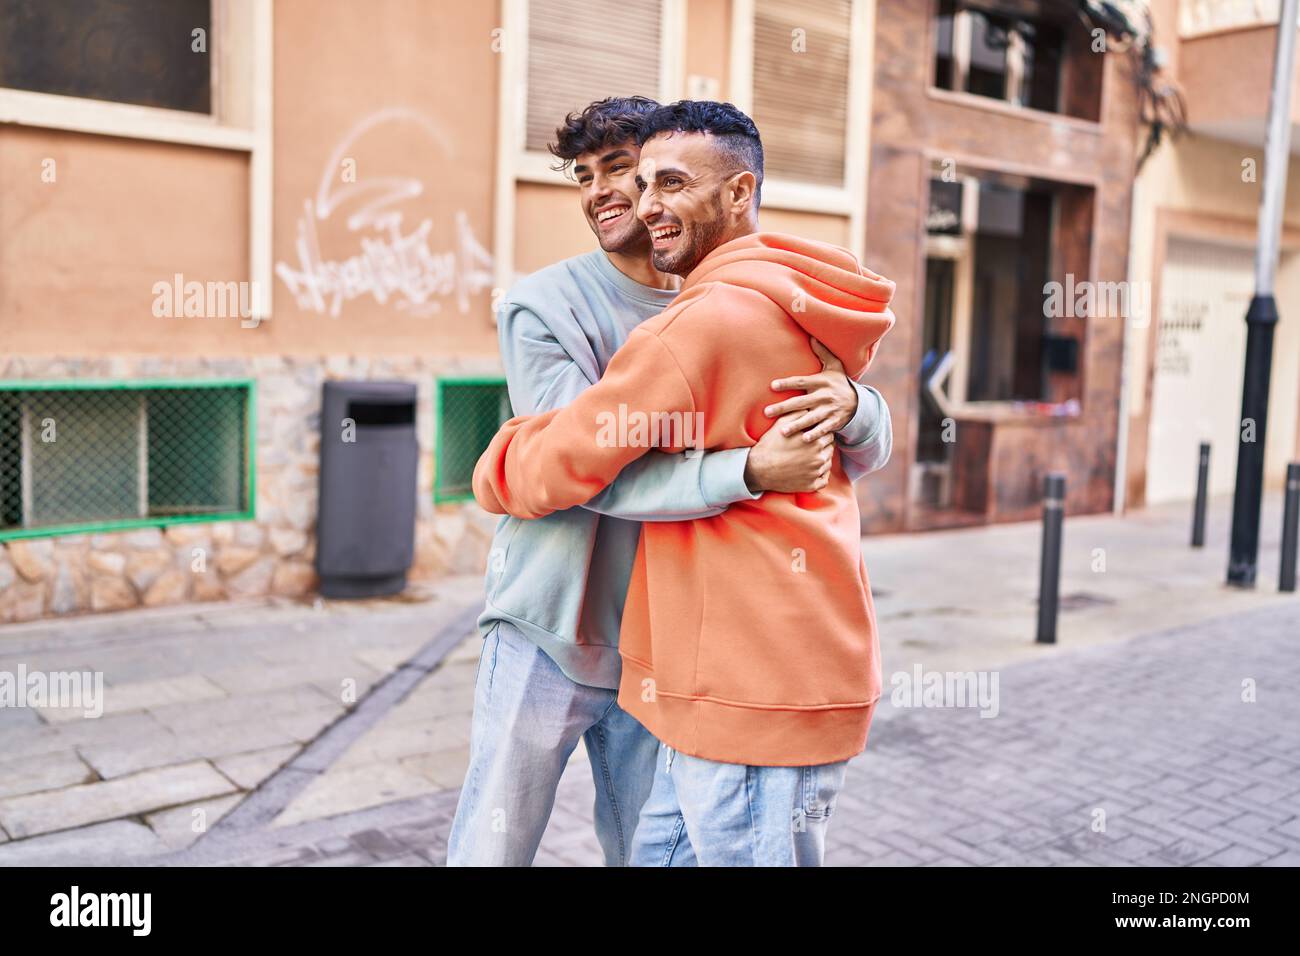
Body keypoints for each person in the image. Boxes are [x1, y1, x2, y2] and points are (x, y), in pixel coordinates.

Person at [472, 100, 896, 866]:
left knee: (646, 843)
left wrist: (858, 406)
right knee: (497, 840)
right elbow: (587, 472)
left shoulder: (715, 300)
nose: (611, 193)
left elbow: (564, 456)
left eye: (634, 175)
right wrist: (748, 469)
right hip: (556, 615)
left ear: (725, 193)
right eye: (586, 176)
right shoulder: (552, 303)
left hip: (677, 645)